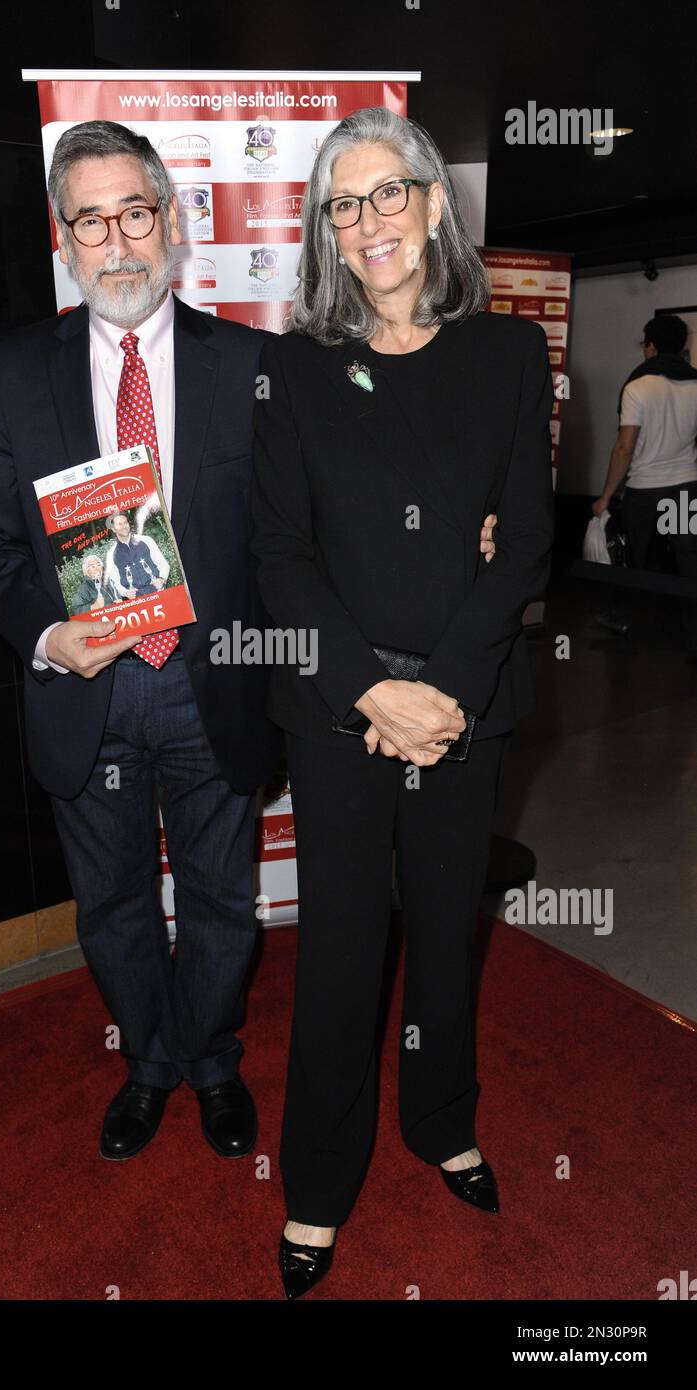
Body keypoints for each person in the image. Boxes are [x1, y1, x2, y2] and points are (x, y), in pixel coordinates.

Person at [250, 106, 556, 1299]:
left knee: (444, 931)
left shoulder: (504, 355)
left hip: (465, 700)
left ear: (434, 202)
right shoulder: (295, 365)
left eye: (388, 193)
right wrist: (374, 686)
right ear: (327, 231)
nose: (368, 221)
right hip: (339, 707)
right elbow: (280, 554)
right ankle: (318, 1185)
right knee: (338, 951)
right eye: (343, 203)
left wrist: (443, 694)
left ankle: (441, 1120)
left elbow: (521, 544)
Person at [0, 120, 282, 1167]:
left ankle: (214, 1060)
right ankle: (149, 1064)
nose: (116, 241)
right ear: (65, 236)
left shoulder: (252, 366)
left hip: (211, 688)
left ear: (171, 219)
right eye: (89, 220)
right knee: (111, 904)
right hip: (85, 687)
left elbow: (293, 539)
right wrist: (52, 632)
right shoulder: (11, 371)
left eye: (134, 211)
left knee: (225, 895)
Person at [593, 314, 697, 659]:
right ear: (682, 346)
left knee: (633, 562)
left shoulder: (638, 387)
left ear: (650, 346)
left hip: (645, 491)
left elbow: (625, 447)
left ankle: (631, 629)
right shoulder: (696, 385)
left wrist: (606, 496)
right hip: (685, 489)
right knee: (688, 564)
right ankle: (692, 638)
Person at [103, 508, 169, 597]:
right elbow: (115, 581)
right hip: (136, 600)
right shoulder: (111, 554)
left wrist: (162, 579)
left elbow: (163, 563)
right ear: (113, 529)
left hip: (157, 592)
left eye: (125, 522)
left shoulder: (147, 540)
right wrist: (125, 592)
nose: (124, 526)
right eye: (119, 524)